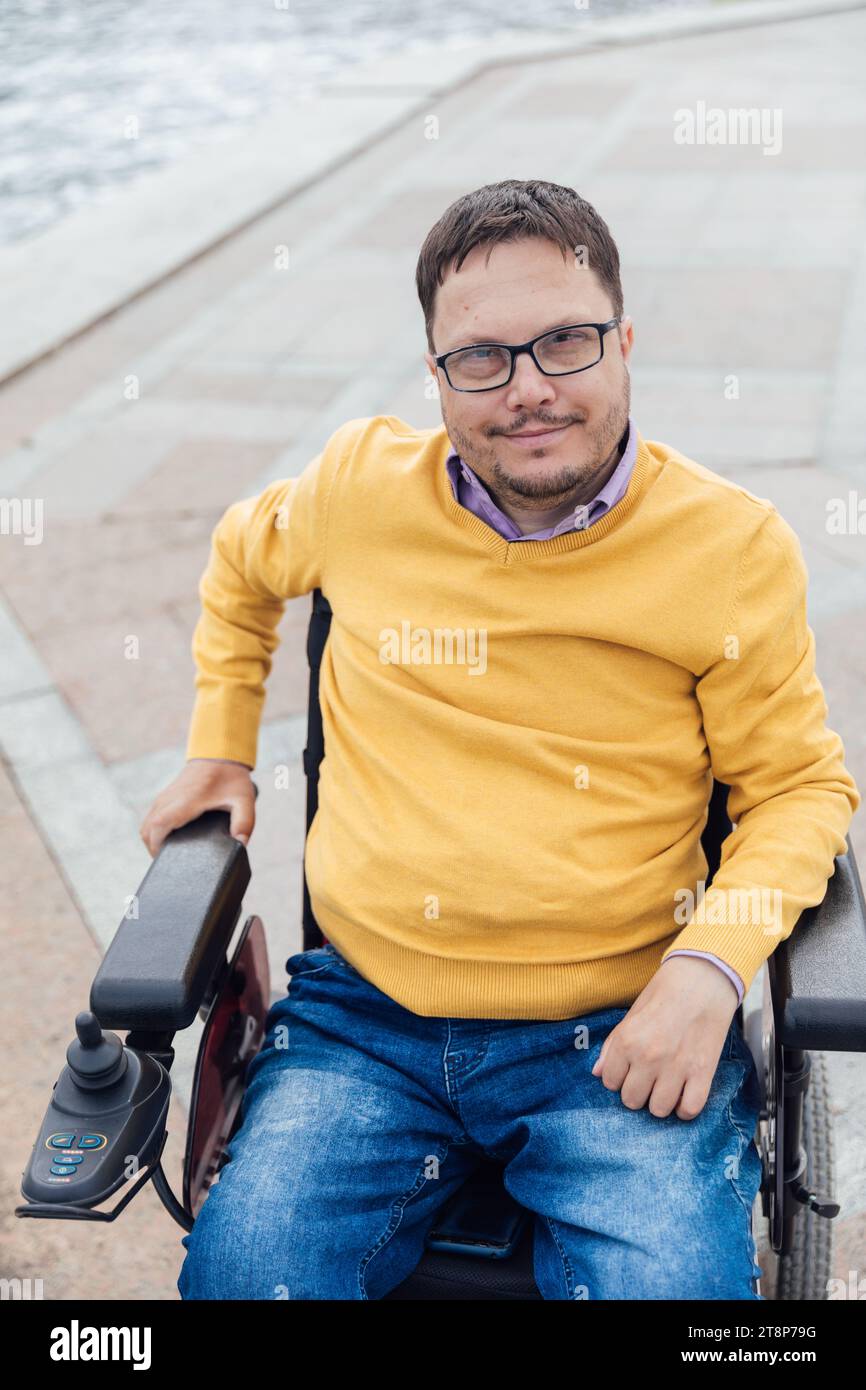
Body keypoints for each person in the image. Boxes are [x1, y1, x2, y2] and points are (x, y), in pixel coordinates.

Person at [140, 178, 860, 1300]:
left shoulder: (725, 548)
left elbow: (799, 792)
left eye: (563, 342)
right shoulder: (355, 490)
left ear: (623, 340)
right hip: (365, 1019)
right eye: (480, 359)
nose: (526, 389)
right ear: (435, 375)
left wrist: (708, 971)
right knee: (244, 1279)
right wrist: (220, 744)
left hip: (615, 1031)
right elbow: (241, 566)